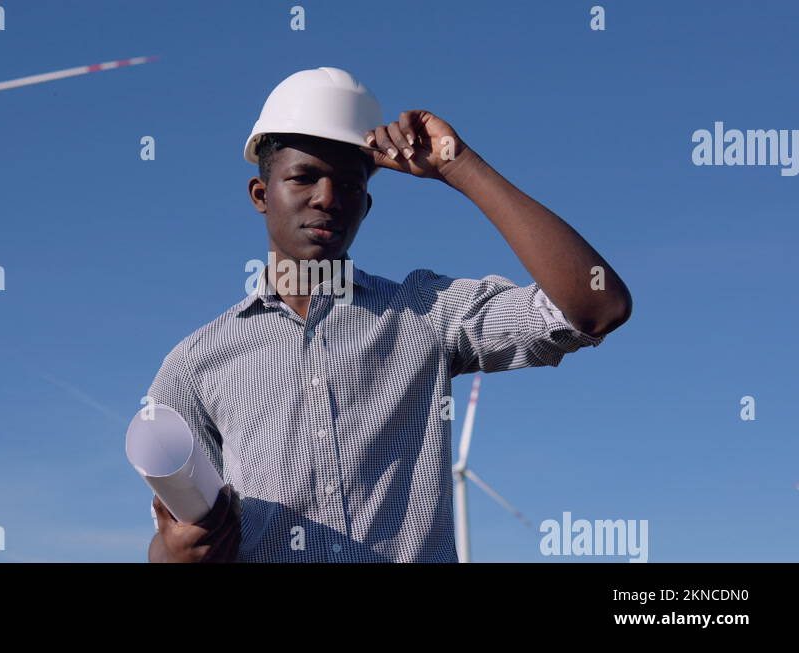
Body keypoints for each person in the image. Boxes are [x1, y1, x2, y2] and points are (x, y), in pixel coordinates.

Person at [146, 67, 632, 563]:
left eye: (349, 185)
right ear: (260, 194)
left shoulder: (425, 312)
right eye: (304, 176)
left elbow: (597, 307)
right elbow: (178, 536)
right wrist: (174, 553)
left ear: (367, 207)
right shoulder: (194, 367)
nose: (327, 198)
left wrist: (459, 165)